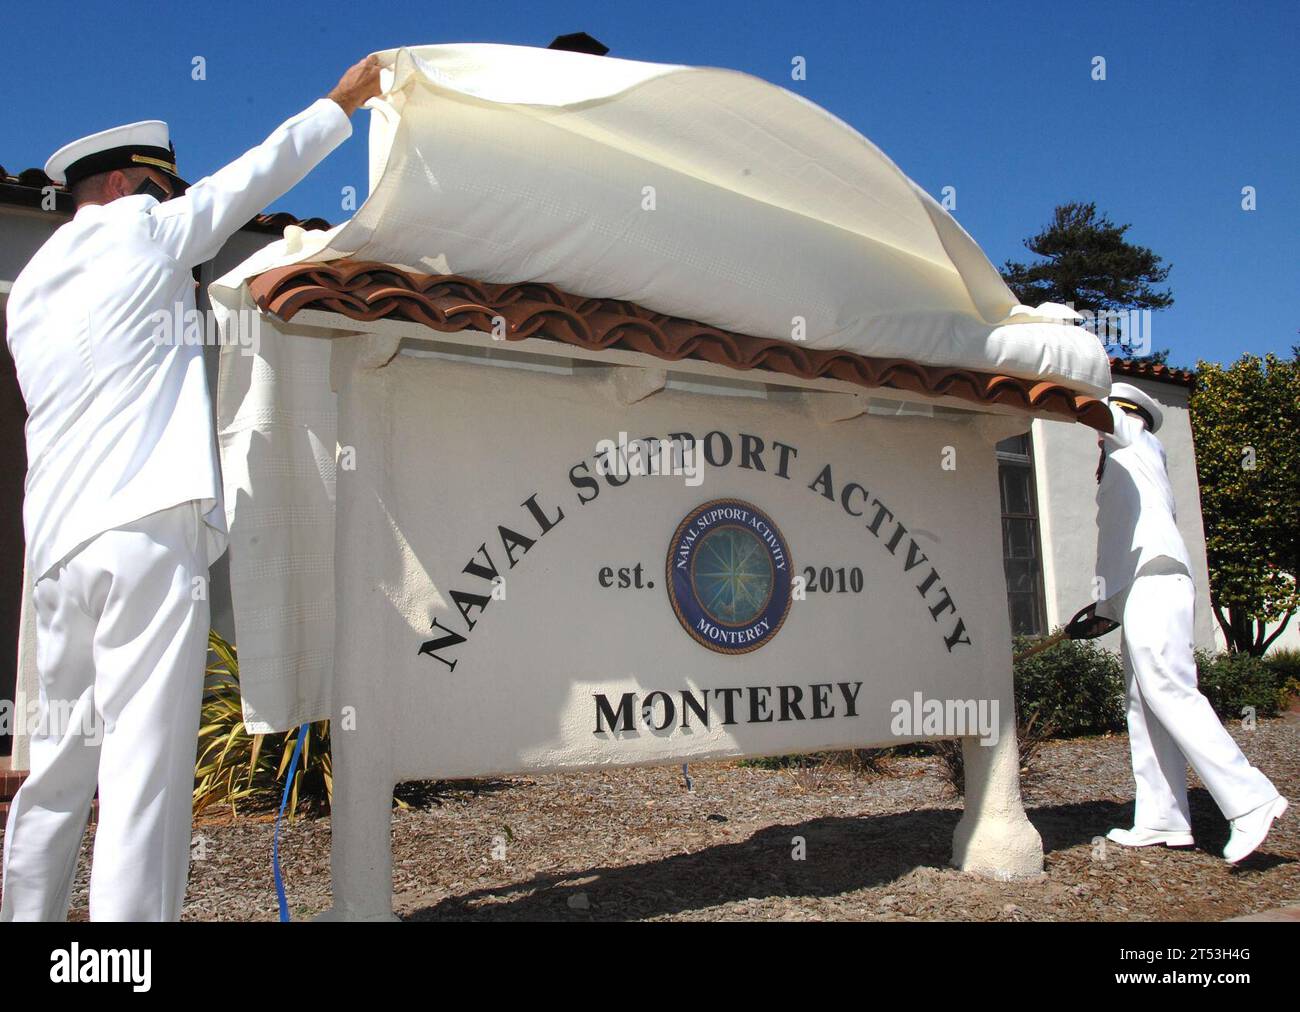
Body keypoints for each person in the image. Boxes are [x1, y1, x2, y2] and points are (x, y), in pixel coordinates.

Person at [1, 56, 383, 920]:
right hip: (144, 529)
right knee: (144, 771)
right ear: (134, 182)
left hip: (56, 552)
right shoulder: (144, 226)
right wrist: (341, 104)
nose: (177, 204)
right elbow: (256, 176)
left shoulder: (28, 290)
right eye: (164, 190)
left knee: (58, 768)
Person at [1095, 381, 1287, 862]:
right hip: (1141, 587)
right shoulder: (1127, 464)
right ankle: (1162, 818)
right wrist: (1105, 610)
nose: (1096, 439)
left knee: (1168, 688)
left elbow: (1093, 412)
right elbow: (1122, 544)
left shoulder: (1135, 438)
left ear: (1126, 415)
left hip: (1158, 582)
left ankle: (1251, 801)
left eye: (1104, 426)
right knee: (1143, 702)